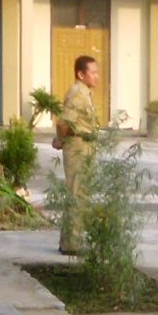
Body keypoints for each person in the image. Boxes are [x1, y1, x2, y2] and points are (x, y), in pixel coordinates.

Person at [54, 55, 102, 254]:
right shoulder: (77, 94)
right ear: (81, 74)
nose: (97, 76)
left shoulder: (85, 93)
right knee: (77, 192)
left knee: (81, 192)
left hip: (85, 145)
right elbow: (63, 122)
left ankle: (70, 241)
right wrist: (62, 140)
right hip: (77, 147)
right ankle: (72, 244)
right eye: (93, 72)